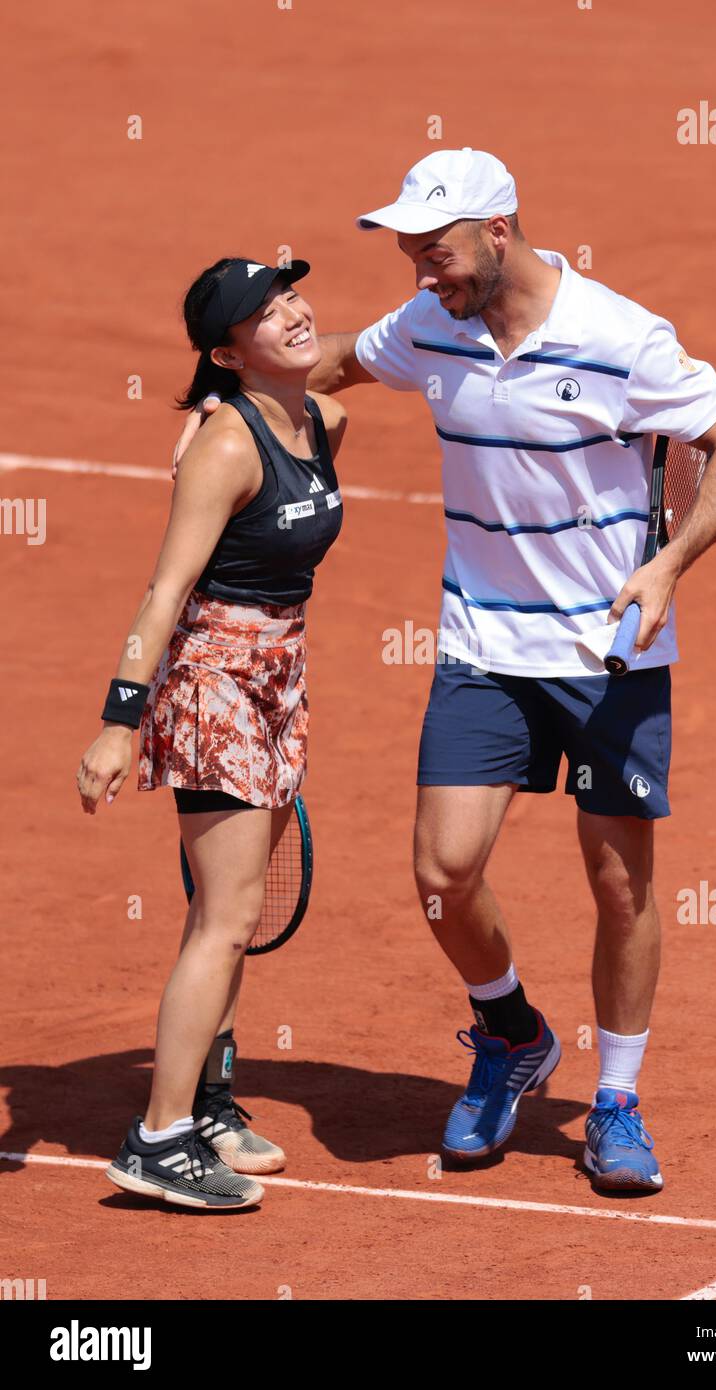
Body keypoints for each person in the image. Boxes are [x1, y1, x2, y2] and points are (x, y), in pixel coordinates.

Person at [174, 149, 716, 1194]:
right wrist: (224, 425)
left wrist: (668, 564)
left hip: (607, 652)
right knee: (442, 875)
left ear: (498, 230)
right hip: (481, 648)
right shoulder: (427, 326)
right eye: (410, 252)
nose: (421, 271)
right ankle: (509, 1035)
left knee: (617, 881)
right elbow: (320, 376)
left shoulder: (619, 337)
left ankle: (617, 1101)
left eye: (437, 250)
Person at [78, 257, 347, 1209]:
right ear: (228, 352)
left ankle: (210, 1105)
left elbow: (350, 365)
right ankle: (155, 1139)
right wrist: (120, 721)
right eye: (266, 315)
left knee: (225, 922)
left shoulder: (319, 419)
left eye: (291, 300)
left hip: (281, 675)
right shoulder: (227, 449)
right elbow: (166, 588)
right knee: (225, 920)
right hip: (213, 680)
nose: (294, 315)